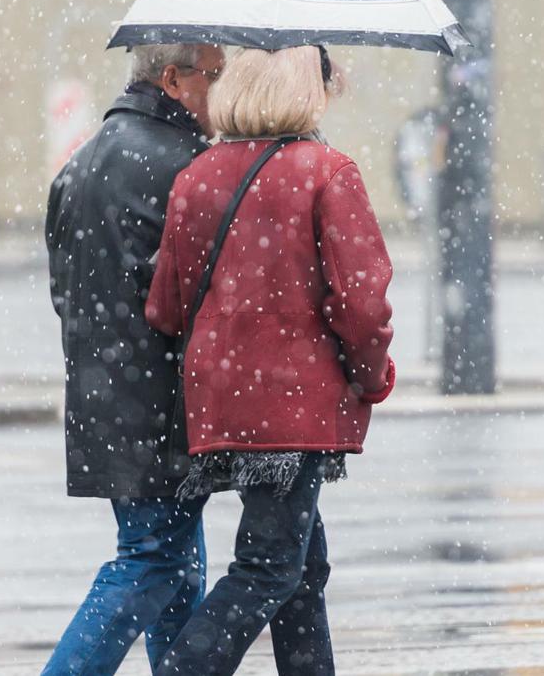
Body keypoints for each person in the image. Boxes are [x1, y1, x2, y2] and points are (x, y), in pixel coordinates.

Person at [146, 45, 395, 676]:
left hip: (224, 400)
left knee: (302, 572)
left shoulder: (196, 176)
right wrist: (371, 377)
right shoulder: (327, 172)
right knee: (267, 569)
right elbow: (362, 305)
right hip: (297, 406)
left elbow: (168, 308)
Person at [41, 42, 225, 675]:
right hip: (161, 404)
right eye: (213, 76)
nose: (221, 91)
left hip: (105, 397)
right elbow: (198, 296)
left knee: (174, 562)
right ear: (172, 80)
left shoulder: (83, 160)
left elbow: (64, 294)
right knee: (154, 561)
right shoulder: (187, 166)